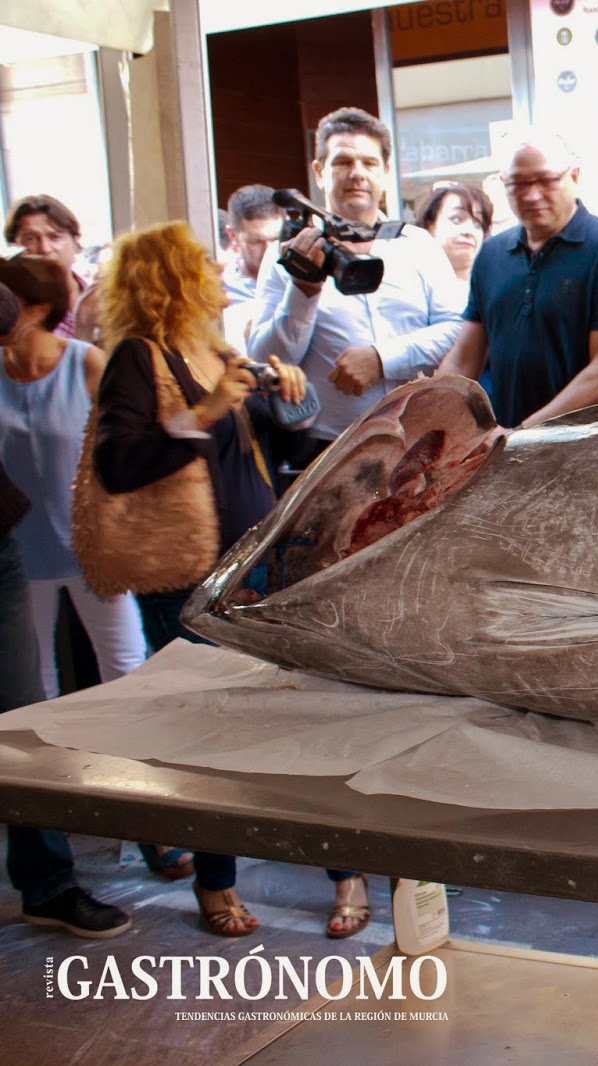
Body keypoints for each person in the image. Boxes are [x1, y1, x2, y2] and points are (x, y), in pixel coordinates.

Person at [91, 221, 373, 939]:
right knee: (210, 734)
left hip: (254, 564)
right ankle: (216, 880)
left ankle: (347, 869)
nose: (220, 270)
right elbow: (118, 465)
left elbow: (274, 442)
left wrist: (288, 399)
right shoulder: (136, 357)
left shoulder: (218, 348)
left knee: (297, 722)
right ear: (171, 281)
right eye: (202, 264)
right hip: (184, 577)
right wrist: (206, 409)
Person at [0, 277, 130, 940]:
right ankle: (46, 878)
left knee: (103, 683)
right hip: (22, 544)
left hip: (51, 542)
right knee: (29, 708)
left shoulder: (80, 358)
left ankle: (60, 873)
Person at [249, 106, 464, 450]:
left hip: (414, 437)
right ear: (319, 171)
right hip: (325, 446)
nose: (357, 174)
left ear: (386, 171)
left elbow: (456, 329)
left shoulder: (418, 244)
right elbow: (267, 359)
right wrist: (303, 290)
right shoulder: (287, 254)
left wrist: (382, 358)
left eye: (369, 163)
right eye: (343, 162)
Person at [0, 255, 145, 700]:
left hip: (90, 542)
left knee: (126, 664)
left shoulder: (86, 362)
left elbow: (123, 451)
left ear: (37, 307)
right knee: (32, 676)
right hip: (20, 548)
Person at [433, 130, 598, 428]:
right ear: (502, 183)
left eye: (546, 181)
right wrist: (424, 413)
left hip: (588, 447)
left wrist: (524, 433)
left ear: (574, 176)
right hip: (507, 444)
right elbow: (463, 360)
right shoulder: (492, 254)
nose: (532, 195)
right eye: (519, 183)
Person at [5, 195, 95, 341]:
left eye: (55, 237)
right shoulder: (11, 311)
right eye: (31, 238)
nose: (45, 249)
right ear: (14, 247)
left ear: (75, 241)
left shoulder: (101, 297)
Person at [220, 185, 287, 351]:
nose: (269, 250)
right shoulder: (220, 291)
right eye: (256, 241)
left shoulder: (301, 284)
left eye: (276, 239)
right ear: (232, 236)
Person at [417, 182, 494, 284]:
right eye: (457, 219)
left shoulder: (497, 287)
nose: (469, 231)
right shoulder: (406, 285)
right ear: (429, 225)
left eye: (478, 223)